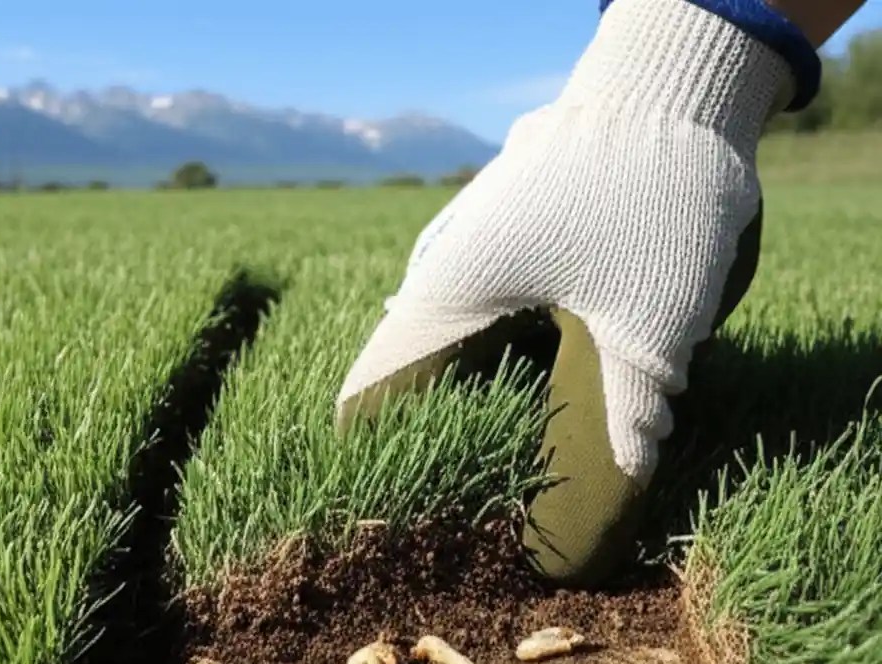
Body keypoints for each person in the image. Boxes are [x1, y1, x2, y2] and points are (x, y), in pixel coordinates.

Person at [334, 0, 868, 586]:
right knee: (369, 436)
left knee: (570, 540)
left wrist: (686, 94)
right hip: (599, 103)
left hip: (678, 131)